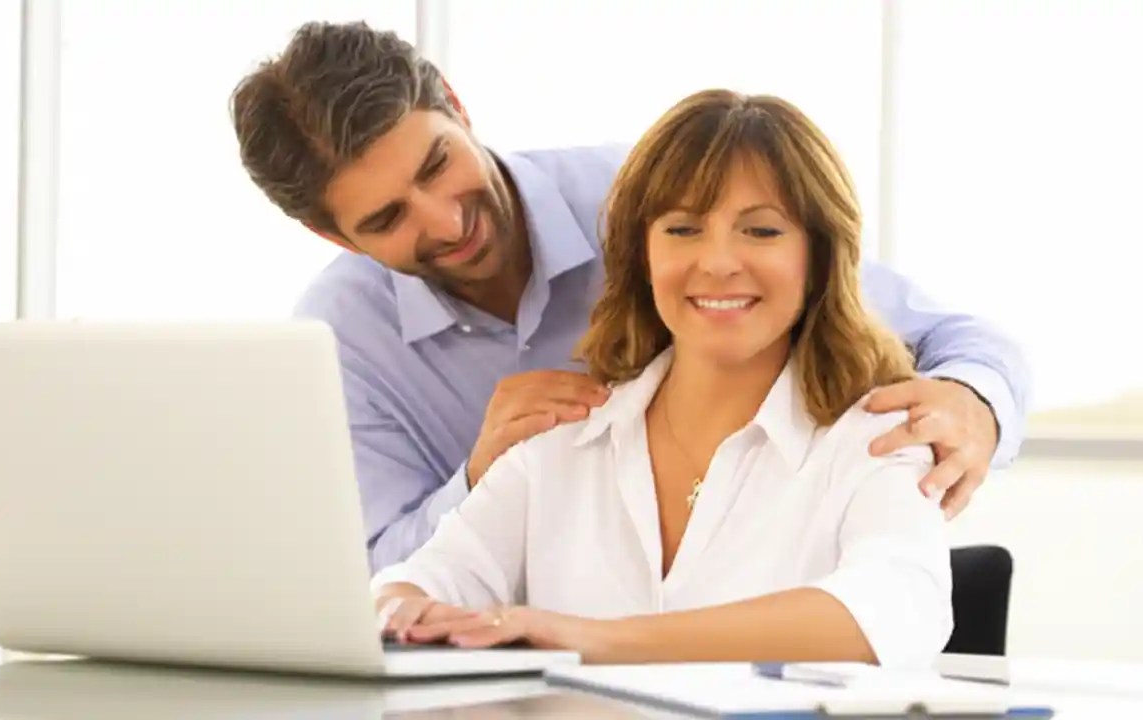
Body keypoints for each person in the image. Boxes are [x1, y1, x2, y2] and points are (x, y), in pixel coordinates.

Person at [230, 21, 1028, 572]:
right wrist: (478, 478)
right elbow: (375, 576)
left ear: (456, 106)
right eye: (387, 218)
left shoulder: (658, 206)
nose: (447, 221)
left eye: (438, 165)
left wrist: (973, 402)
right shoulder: (340, 336)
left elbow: (955, 337)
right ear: (334, 236)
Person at [371, 88, 952, 667]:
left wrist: (591, 640)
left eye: (762, 231)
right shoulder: (561, 440)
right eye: (682, 229)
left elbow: (895, 610)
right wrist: (403, 608)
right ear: (641, 255)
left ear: (820, 256)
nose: (719, 262)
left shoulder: (877, 439)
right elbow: (418, 581)